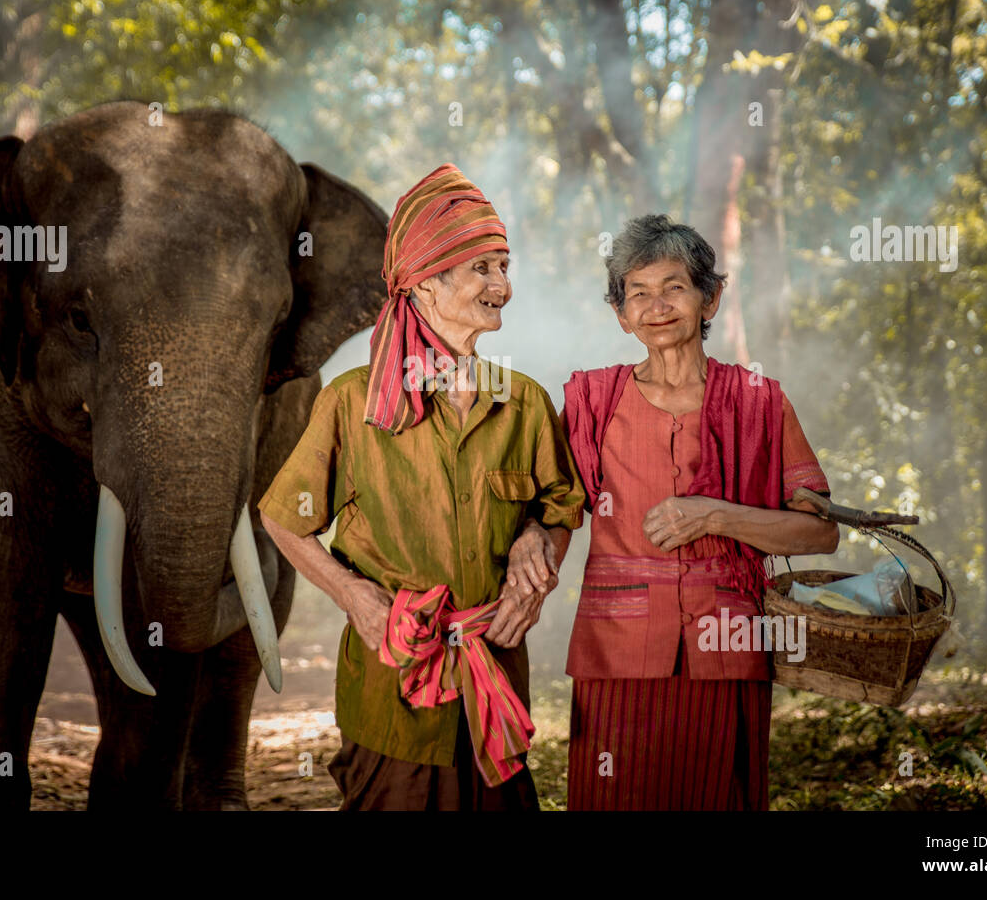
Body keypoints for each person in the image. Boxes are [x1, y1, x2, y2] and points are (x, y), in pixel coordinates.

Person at [259, 164, 584, 810]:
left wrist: (536, 546)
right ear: (426, 282)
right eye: (483, 268)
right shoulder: (352, 404)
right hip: (392, 690)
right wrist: (354, 594)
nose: (503, 286)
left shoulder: (523, 401)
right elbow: (283, 519)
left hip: (496, 678)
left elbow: (559, 509)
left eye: (505, 266)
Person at [560, 215, 839, 810]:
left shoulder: (760, 401)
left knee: (717, 796)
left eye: (674, 287)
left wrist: (717, 515)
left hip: (727, 642)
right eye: (638, 292)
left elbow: (820, 532)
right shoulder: (591, 400)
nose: (656, 305)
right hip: (615, 649)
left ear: (710, 297)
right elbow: (555, 514)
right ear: (620, 313)